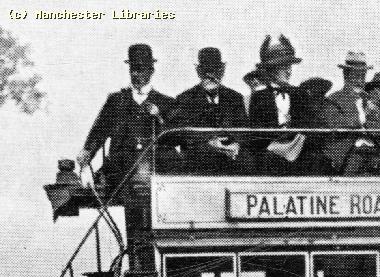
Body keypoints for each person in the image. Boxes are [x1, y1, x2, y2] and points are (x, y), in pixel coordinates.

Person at [77, 43, 175, 193]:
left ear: (151, 70)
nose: (136, 74)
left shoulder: (166, 103)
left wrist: (159, 117)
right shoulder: (115, 101)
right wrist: (85, 162)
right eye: (133, 69)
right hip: (120, 172)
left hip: (156, 172)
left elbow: (175, 138)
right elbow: (98, 133)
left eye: (140, 69)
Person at [170, 47, 251, 175]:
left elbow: (244, 131)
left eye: (215, 71)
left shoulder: (235, 98)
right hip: (198, 167)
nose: (210, 75)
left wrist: (236, 144)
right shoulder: (185, 99)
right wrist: (209, 144)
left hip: (231, 165)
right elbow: (182, 137)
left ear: (223, 70)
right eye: (205, 71)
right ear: (198, 71)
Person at [247, 35, 314, 174]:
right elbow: (256, 132)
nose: (289, 71)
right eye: (284, 67)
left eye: (289, 66)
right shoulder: (259, 97)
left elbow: (311, 123)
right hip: (271, 150)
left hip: (298, 148)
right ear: (271, 69)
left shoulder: (300, 94)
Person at [324, 52, 376, 175]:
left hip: (374, 151)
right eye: (355, 75)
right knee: (355, 163)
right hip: (348, 151)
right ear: (345, 75)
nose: (360, 80)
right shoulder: (333, 99)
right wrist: (362, 117)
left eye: (363, 75)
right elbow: (335, 124)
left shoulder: (369, 100)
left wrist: (372, 112)